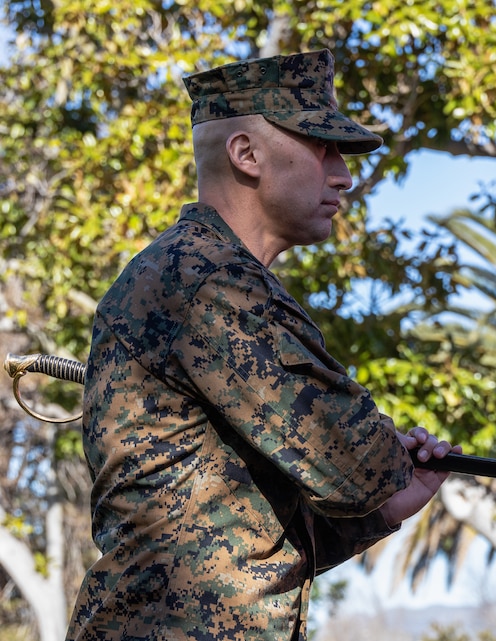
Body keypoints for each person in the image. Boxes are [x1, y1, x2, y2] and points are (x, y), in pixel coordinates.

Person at [68, 49, 459, 641]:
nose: (342, 175)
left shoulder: (203, 272)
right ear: (246, 154)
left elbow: (236, 543)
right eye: (321, 146)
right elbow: (357, 465)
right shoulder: (207, 281)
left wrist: (382, 509)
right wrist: (380, 474)